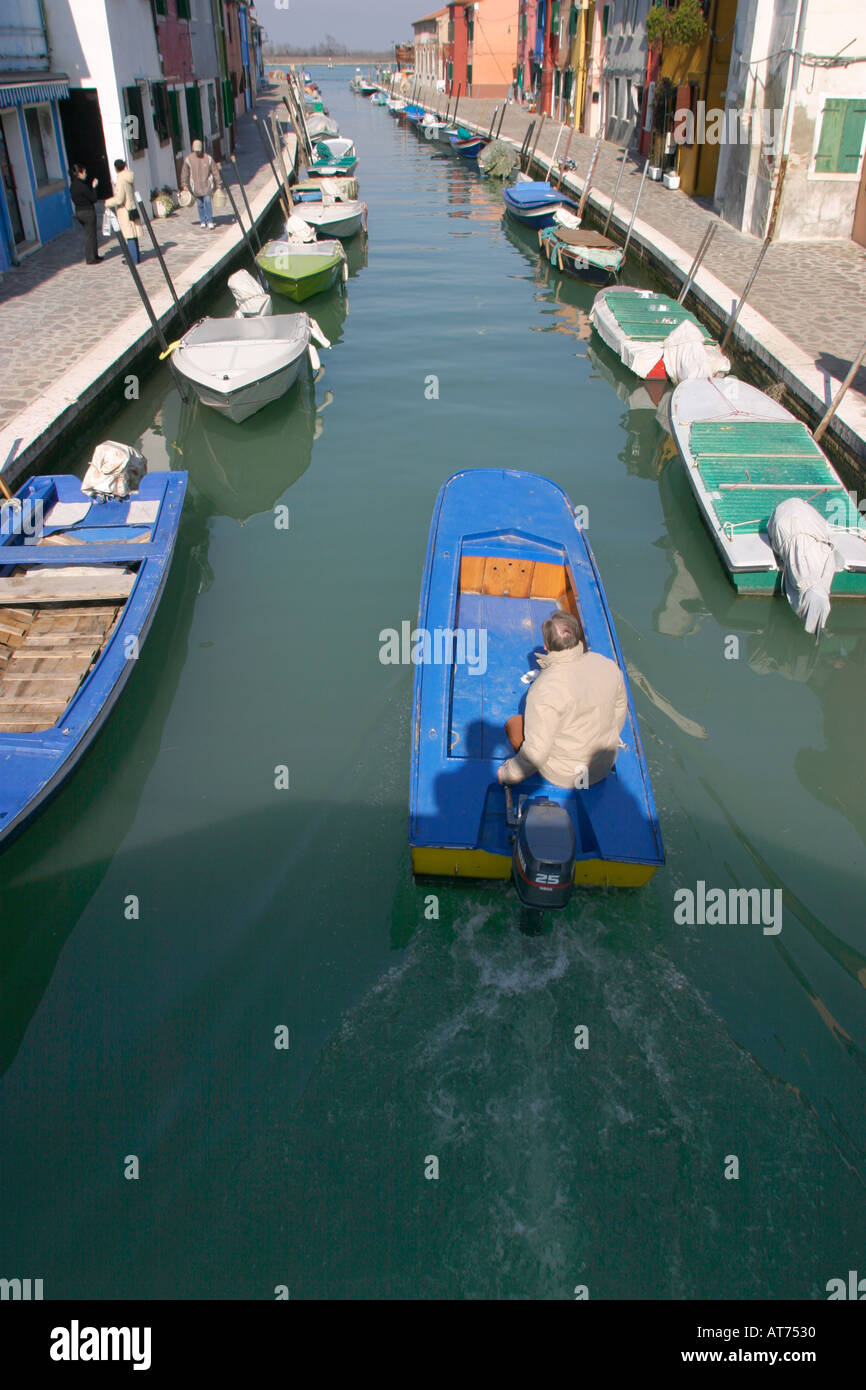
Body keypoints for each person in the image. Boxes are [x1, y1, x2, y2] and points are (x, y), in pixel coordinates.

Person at [497, 610, 628, 790]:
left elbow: (537, 754)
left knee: (514, 724)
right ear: (576, 637)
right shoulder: (607, 665)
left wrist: (506, 774)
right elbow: (620, 711)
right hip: (601, 767)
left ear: (546, 647)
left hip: (566, 775)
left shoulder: (545, 690)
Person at [104, 158, 142, 263]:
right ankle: (136, 257)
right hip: (131, 206)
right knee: (133, 235)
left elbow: (120, 199)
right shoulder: (129, 176)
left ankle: (133, 259)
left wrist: (108, 202)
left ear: (116, 168)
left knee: (129, 235)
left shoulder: (121, 179)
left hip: (124, 209)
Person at [180, 139, 222, 229]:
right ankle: (202, 220)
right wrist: (184, 184)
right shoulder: (189, 159)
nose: (198, 152)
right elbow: (185, 172)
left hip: (207, 185)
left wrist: (218, 182)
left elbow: (215, 171)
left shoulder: (208, 158)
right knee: (199, 204)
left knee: (207, 202)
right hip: (195, 186)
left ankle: (209, 220)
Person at [69, 163, 102, 264]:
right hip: (87, 212)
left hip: (79, 211)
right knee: (90, 235)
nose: (86, 174)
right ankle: (91, 258)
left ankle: (94, 255)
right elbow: (93, 198)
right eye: (84, 172)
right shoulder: (82, 186)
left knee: (89, 234)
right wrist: (94, 187)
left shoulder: (73, 185)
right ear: (79, 173)